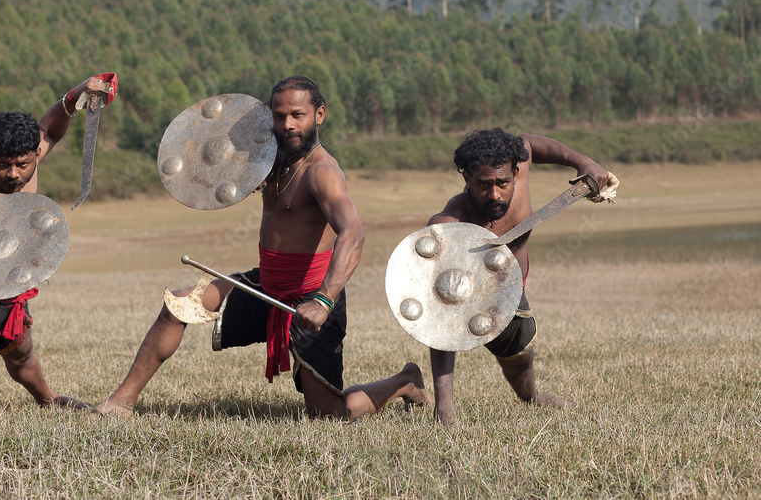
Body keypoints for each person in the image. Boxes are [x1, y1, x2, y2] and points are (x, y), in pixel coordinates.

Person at [96, 76, 427, 418]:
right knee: (179, 305)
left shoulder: (323, 172)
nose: (287, 125)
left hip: (310, 297)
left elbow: (353, 234)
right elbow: (215, 151)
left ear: (319, 115)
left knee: (328, 414)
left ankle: (405, 381)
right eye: (279, 116)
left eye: (297, 115)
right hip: (265, 286)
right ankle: (121, 402)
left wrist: (323, 301)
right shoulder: (271, 160)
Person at [0, 74, 116, 424]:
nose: (13, 174)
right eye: (3, 164)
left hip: (10, 276)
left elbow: (51, 128)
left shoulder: (33, 153)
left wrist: (78, 93)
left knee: (20, 352)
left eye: (23, 164)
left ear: (36, 155)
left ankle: (49, 399)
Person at [427, 128, 611, 426]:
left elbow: (529, 142)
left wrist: (583, 162)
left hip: (511, 292)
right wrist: (444, 407)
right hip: (466, 295)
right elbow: (438, 321)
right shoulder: (450, 222)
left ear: (516, 172)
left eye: (502, 183)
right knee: (447, 312)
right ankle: (442, 406)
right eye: (483, 184)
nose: (494, 194)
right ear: (467, 179)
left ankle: (532, 397)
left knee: (520, 356)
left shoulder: (520, 169)